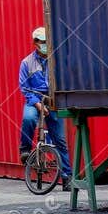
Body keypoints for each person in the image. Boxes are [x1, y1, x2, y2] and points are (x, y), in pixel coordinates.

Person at [19, 27, 72, 184]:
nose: (45, 45)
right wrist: (38, 105)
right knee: (28, 118)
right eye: (42, 42)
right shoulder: (27, 63)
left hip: (53, 100)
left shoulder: (56, 61)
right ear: (35, 43)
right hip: (34, 99)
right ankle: (25, 149)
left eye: (46, 42)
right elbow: (24, 87)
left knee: (60, 140)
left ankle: (67, 177)